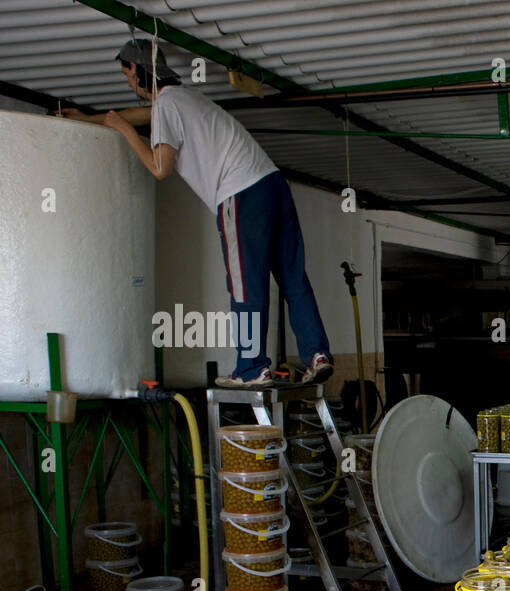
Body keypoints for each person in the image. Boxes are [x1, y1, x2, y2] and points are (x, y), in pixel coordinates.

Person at [62, 40, 334, 388]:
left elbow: (159, 168)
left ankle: (252, 368)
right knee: (293, 278)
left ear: (141, 70)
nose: (129, 84)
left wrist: (125, 132)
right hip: (272, 184)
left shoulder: (167, 105)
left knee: (245, 286)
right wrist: (93, 119)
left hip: (240, 194)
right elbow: (142, 115)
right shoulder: (183, 98)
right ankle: (317, 354)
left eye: (127, 75)